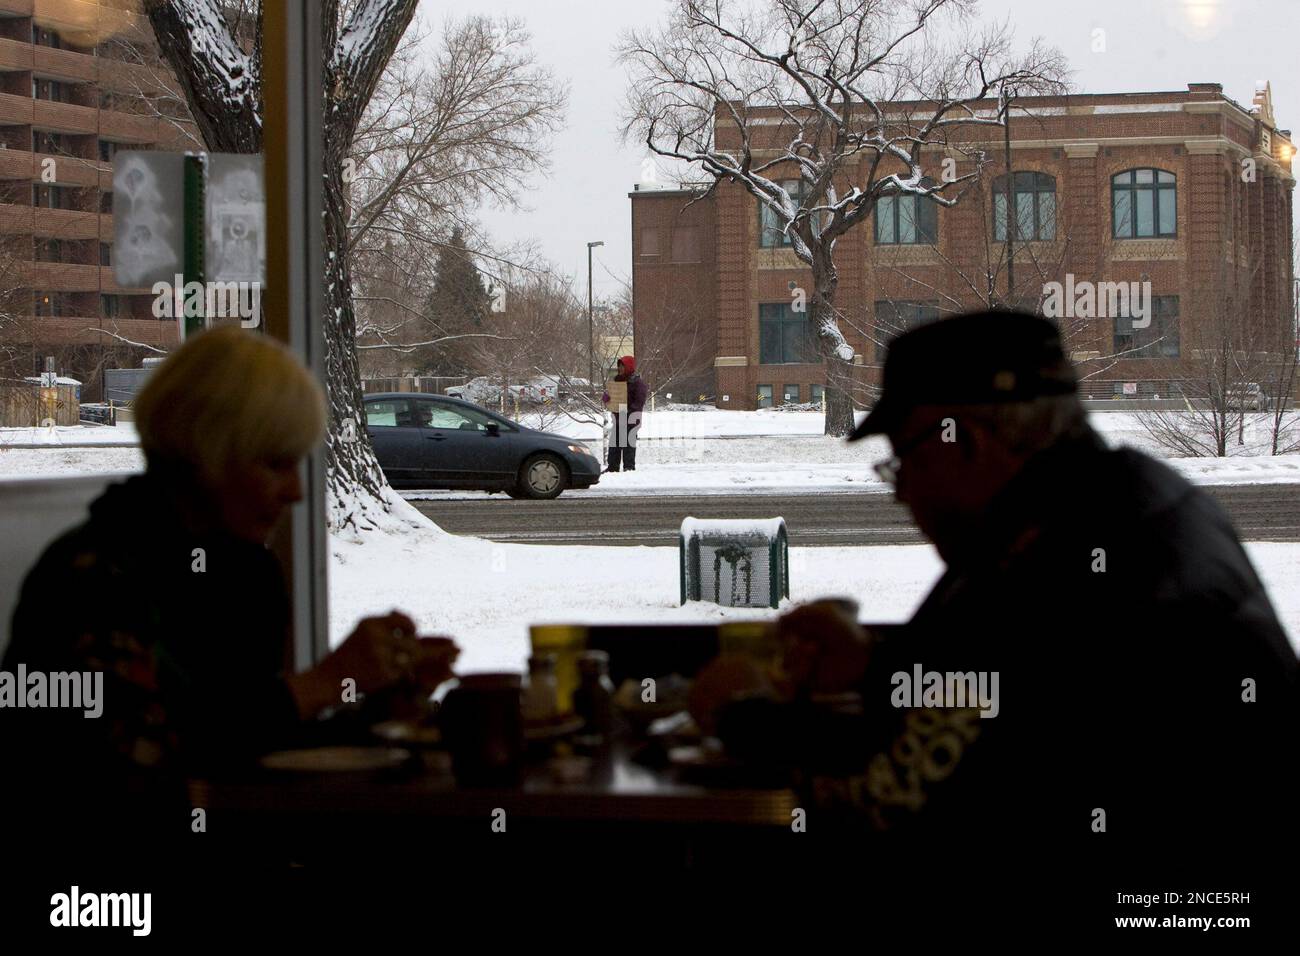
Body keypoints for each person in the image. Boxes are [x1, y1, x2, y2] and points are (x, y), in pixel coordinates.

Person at [691, 310, 1298, 889]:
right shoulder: (1107, 504)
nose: (901, 492)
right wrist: (877, 664)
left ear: (968, 442)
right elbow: (998, 688)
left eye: (905, 461)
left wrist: (737, 716)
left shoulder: (1068, 562)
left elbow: (892, 806)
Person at [1, 325, 459, 862]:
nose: (295, 491)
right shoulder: (92, 578)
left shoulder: (244, 572)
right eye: (274, 463)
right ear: (206, 455)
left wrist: (379, 700)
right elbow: (134, 770)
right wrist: (321, 684)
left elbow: (254, 748)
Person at [602, 355, 647, 472]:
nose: (620, 368)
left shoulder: (637, 383)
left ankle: (629, 468)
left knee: (628, 445)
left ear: (628, 367)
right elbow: (611, 397)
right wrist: (607, 398)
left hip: (632, 418)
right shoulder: (617, 381)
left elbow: (639, 401)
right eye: (619, 366)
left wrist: (629, 411)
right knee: (615, 444)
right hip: (619, 417)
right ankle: (612, 467)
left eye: (623, 366)